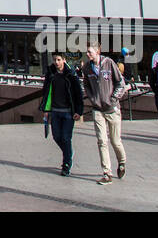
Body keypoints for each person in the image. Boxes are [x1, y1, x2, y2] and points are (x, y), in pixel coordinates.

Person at [81, 42, 127, 184]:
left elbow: (120, 83)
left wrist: (113, 99)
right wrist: (92, 98)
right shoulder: (87, 68)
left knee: (115, 141)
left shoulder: (109, 63)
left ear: (97, 51)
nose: (88, 54)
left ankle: (122, 161)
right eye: (87, 52)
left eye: (90, 52)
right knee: (102, 141)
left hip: (112, 108)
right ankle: (107, 173)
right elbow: (86, 85)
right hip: (98, 109)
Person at [40, 52, 86, 175]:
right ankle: (69, 152)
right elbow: (46, 92)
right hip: (55, 111)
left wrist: (78, 111)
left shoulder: (71, 74)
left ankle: (66, 164)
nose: (56, 62)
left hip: (67, 112)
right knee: (56, 137)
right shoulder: (51, 73)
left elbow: (78, 94)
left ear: (64, 60)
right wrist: (46, 109)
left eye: (59, 59)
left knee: (66, 138)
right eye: (55, 59)